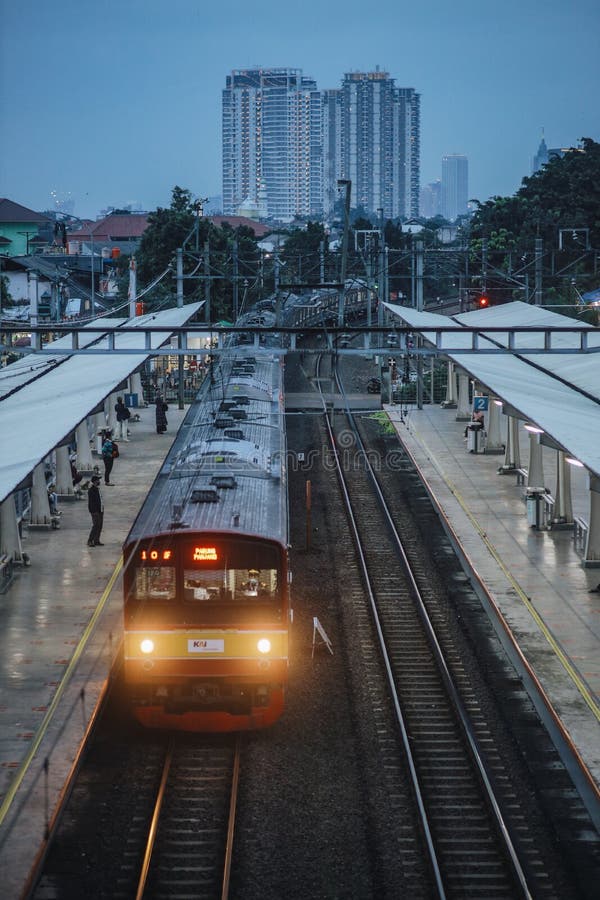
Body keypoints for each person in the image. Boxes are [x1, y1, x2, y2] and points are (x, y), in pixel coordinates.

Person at [87, 475, 104, 546]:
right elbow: (91, 502)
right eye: (98, 480)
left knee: (100, 525)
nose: (99, 481)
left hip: (100, 510)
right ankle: (90, 540)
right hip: (95, 511)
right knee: (96, 525)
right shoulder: (91, 490)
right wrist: (94, 511)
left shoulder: (97, 489)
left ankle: (96, 540)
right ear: (95, 481)